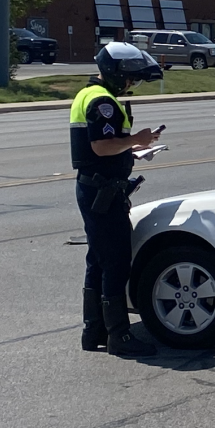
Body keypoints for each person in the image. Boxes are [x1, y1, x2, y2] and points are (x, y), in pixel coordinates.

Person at [72, 42, 163, 357]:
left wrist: (135, 147)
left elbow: (105, 144)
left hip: (95, 188)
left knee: (98, 260)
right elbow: (100, 146)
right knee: (116, 261)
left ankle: (94, 331)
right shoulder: (102, 102)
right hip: (103, 191)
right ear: (114, 72)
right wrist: (135, 139)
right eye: (129, 77)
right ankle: (119, 336)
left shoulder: (87, 94)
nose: (130, 83)